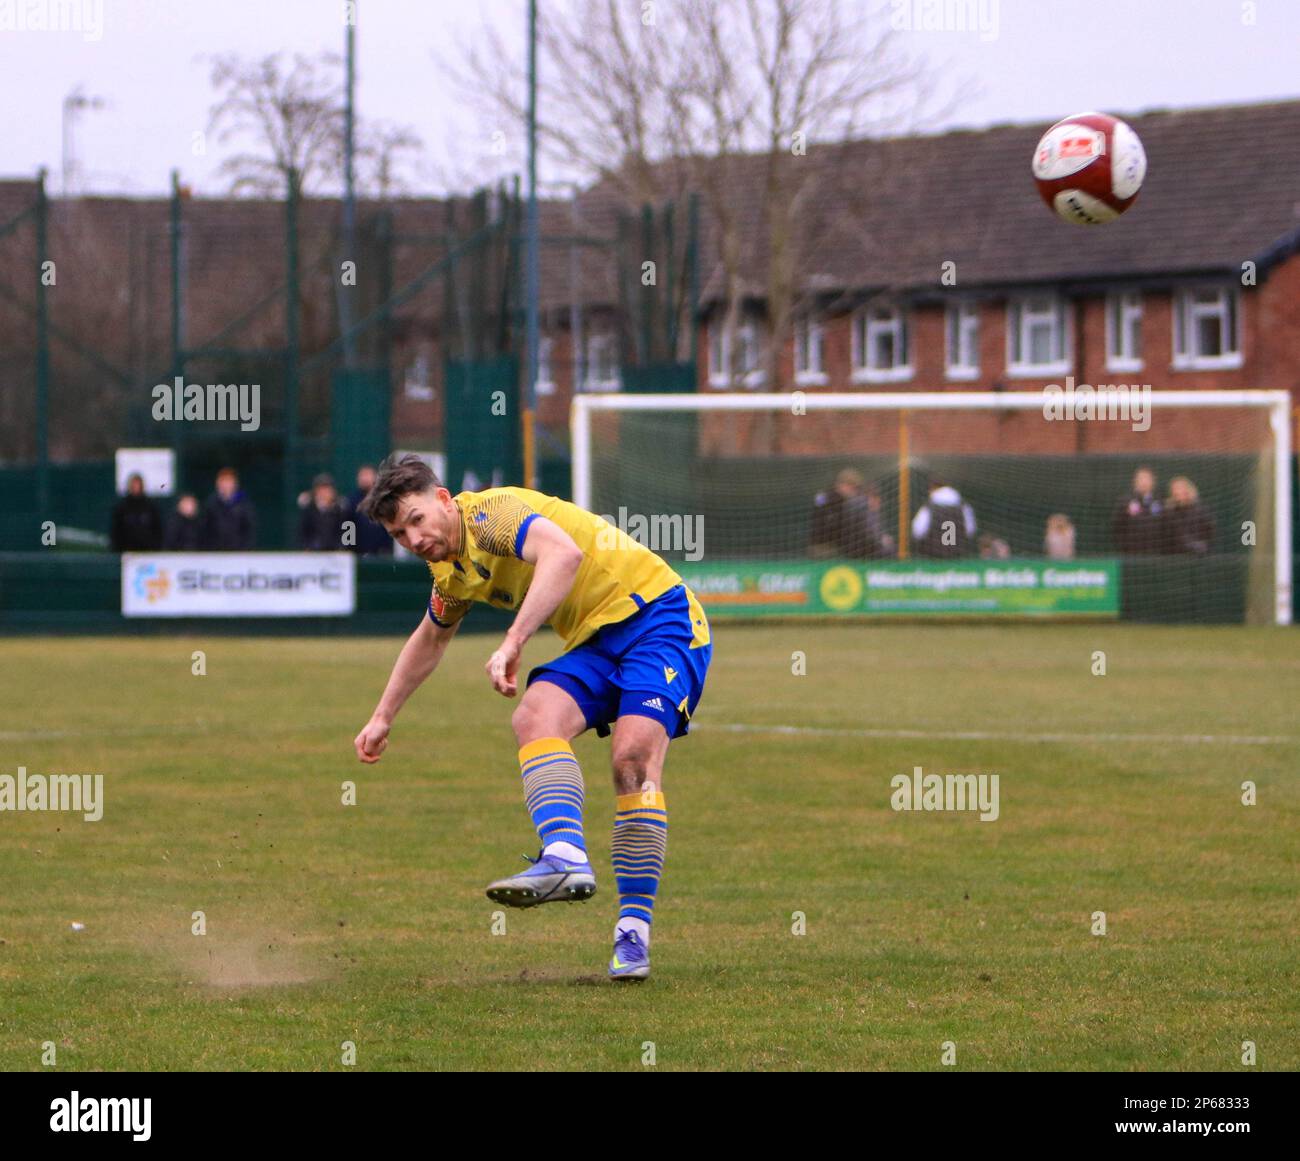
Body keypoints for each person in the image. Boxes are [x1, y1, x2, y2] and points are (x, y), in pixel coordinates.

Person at [353, 453, 712, 982]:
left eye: (416, 520)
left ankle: (633, 932)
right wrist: (383, 715)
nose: (413, 538)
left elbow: (562, 555)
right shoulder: (448, 572)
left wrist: (514, 641)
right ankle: (565, 853)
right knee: (534, 716)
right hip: (596, 640)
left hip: (659, 618)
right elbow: (430, 637)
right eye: (399, 534)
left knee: (631, 760)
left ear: (444, 500)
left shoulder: (490, 515)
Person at [810, 469, 887, 559]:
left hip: (839, 547)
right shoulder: (827, 498)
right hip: (824, 547)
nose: (854, 491)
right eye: (852, 487)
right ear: (842, 485)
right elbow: (827, 522)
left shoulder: (850, 502)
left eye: (855, 488)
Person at [911, 479, 976, 558]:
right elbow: (970, 530)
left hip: (933, 554)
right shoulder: (964, 507)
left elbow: (918, 530)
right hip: (958, 554)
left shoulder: (929, 507)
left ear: (934, 489)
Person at [200, 467, 255, 550]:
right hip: (216, 554)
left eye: (229, 481)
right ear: (218, 483)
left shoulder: (244, 504)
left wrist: (245, 550)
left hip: (239, 554)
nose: (226, 484)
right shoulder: (211, 504)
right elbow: (206, 530)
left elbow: (249, 530)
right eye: (223, 481)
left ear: (235, 483)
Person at [1112, 467, 1162, 554]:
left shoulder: (1160, 501)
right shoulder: (1125, 501)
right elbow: (1117, 525)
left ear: (1153, 482)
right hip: (1132, 552)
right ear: (1135, 481)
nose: (1144, 482)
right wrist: (1125, 546)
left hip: (1155, 552)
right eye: (1141, 478)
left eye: (1147, 478)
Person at [346, 465, 393, 556]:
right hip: (357, 554)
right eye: (362, 476)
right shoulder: (351, 501)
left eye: (367, 475)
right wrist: (349, 548)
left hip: (381, 553)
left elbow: (388, 526)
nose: (365, 479)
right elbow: (348, 525)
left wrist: (387, 548)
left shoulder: (383, 499)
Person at [110, 474, 163, 552]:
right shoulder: (122, 508)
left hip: (147, 551)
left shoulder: (150, 507)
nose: (136, 487)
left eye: (138, 484)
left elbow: (157, 529)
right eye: (134, 485)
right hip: (127, 552)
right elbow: (116, 531)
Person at [1163, 477, 1215, 555]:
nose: (1177, 492)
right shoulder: (1169, 513)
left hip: (1199, 558)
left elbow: (1210, 533)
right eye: (1174, 489)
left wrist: (1201, 546)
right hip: (1176, 558)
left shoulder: (1201, 510)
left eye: (1180, 488)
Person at [298, 473, 348, 551]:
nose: (324, 493)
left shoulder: (341, 510)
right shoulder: (309, 510)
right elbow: (303, 532)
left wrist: (342, 548)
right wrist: (307, 547)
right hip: (314, 554)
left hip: (335, 555)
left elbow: (347, 532)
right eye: (321, 489)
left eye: (327, 489)